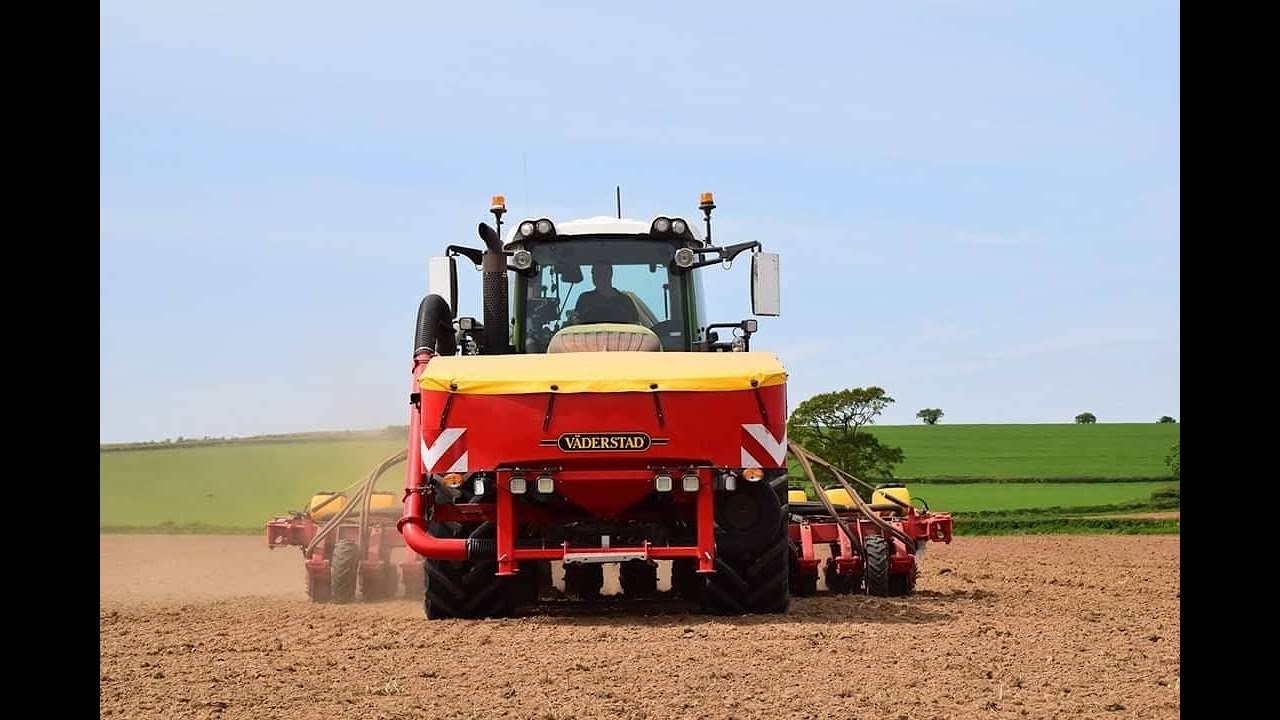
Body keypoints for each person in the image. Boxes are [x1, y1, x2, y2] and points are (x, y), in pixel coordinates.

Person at [571, 263, 640, 324]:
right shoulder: (585, 299)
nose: (597, 277)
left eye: (602, 273)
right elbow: (576, 322)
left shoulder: (625, 301)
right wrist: (573, 319)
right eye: (594, 274)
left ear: (610, 274)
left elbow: (636, 325)